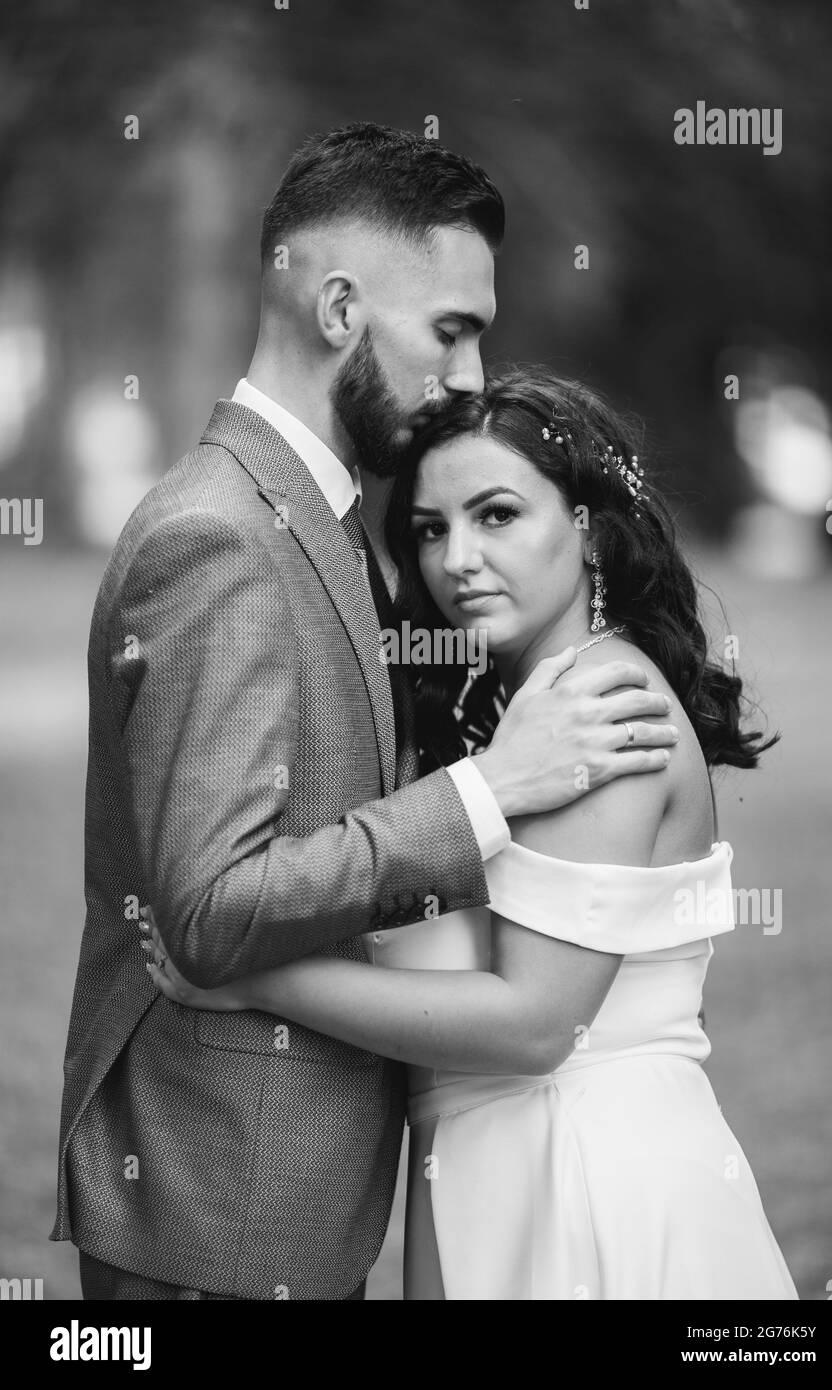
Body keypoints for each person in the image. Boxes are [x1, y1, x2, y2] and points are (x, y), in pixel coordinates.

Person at [52, 127, 677, 1302]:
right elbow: (211, 907)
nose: (471, 374)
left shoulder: (323, 515)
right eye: (451, 328)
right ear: (339, 305)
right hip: (213, 1207)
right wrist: (491, 789)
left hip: (282, 1199)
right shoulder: (219, 538)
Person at [146, 367, 798, 1300]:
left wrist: (248, 974)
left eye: (497, 515)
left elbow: (536, 1024)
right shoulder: (519, 716)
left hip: (587, 1190)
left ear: (586, 527)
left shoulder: (602, 709)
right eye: (429, 529)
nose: (456, 559)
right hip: (493, 1182)